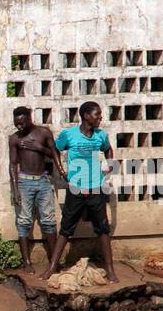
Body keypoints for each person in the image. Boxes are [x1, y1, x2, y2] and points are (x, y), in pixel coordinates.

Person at [41, 101, 119, 284]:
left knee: (102, 229)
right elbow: (54, 149)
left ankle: (110, 270)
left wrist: (109, 166)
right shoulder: (69, 134)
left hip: (96, 188)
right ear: (85, 116)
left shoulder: (101, 135)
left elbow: (108, 149)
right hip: (75, 188)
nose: (100, 118)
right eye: (97, 115)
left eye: (100, 115)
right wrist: (61, 170)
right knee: (66, 228)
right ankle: (52, 267)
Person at [8, 106, 60, 273]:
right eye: (17, 124)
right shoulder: (14, 139)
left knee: (49, 221)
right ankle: (27, 263)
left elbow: (55, 153)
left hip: (43, 181)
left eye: (22, 123)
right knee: (23, 222)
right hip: (24, 182)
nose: (20, 127)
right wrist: (15, 189)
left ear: (30, 118)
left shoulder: (43, 133)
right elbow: (13, 164)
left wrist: (39, 148)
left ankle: (54, 262)